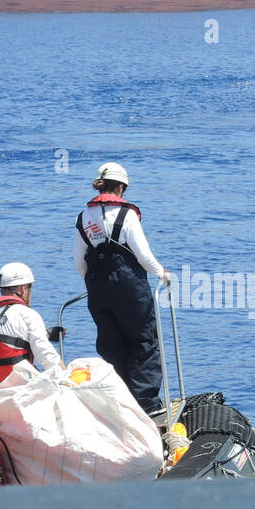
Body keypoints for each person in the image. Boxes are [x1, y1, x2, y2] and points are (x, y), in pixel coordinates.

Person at [74, 163, 173, 415]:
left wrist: (94, 286)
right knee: (143, 341)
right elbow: (143, 256)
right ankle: (146, 405)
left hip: (97, 287)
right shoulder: (126, 215)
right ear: (120, 187)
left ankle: (117, 403)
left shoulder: (84, 216)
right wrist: (163, 274)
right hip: (129, 286)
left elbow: (79, 260)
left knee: (110, 343)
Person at [0, 262, 66, 395]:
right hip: (18, 391)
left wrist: (48, 334)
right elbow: (46, 356)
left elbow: (9, 339)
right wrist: (67, 381)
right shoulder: (29, 314)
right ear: (23, 288)